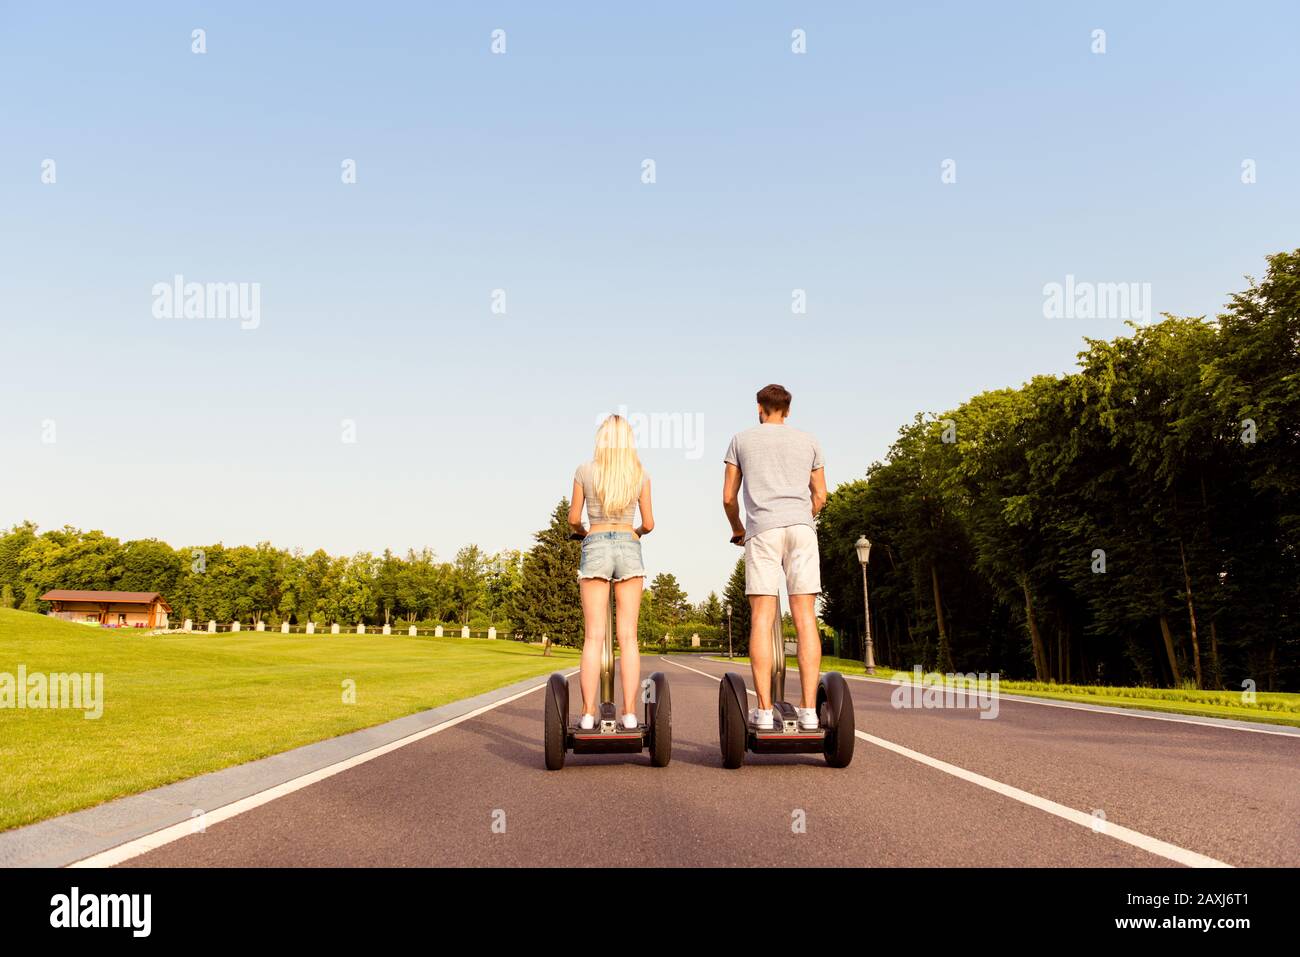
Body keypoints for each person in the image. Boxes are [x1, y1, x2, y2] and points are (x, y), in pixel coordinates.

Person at [722, 383, 827, 730]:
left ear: (759, 408)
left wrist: (738, 528)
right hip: (801, 529)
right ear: (788, 410)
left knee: (762, 619)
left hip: (763, 530)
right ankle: (810, 710)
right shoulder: (808, 440)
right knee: (805, 617)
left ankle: (764, 711)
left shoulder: (741, 440)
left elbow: (728, 497)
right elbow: (821, 495)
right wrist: (804, 516)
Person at [568, 414, 655, 730]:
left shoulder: (584, 471)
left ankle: (589, 714)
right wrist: (636, 531)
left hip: (595, 544)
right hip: (629, 544)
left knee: (593, 637)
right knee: (628, 638)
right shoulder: (639, 474)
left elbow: (573, 518)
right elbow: (649, 522)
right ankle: (630, 714)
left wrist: (583, 530)